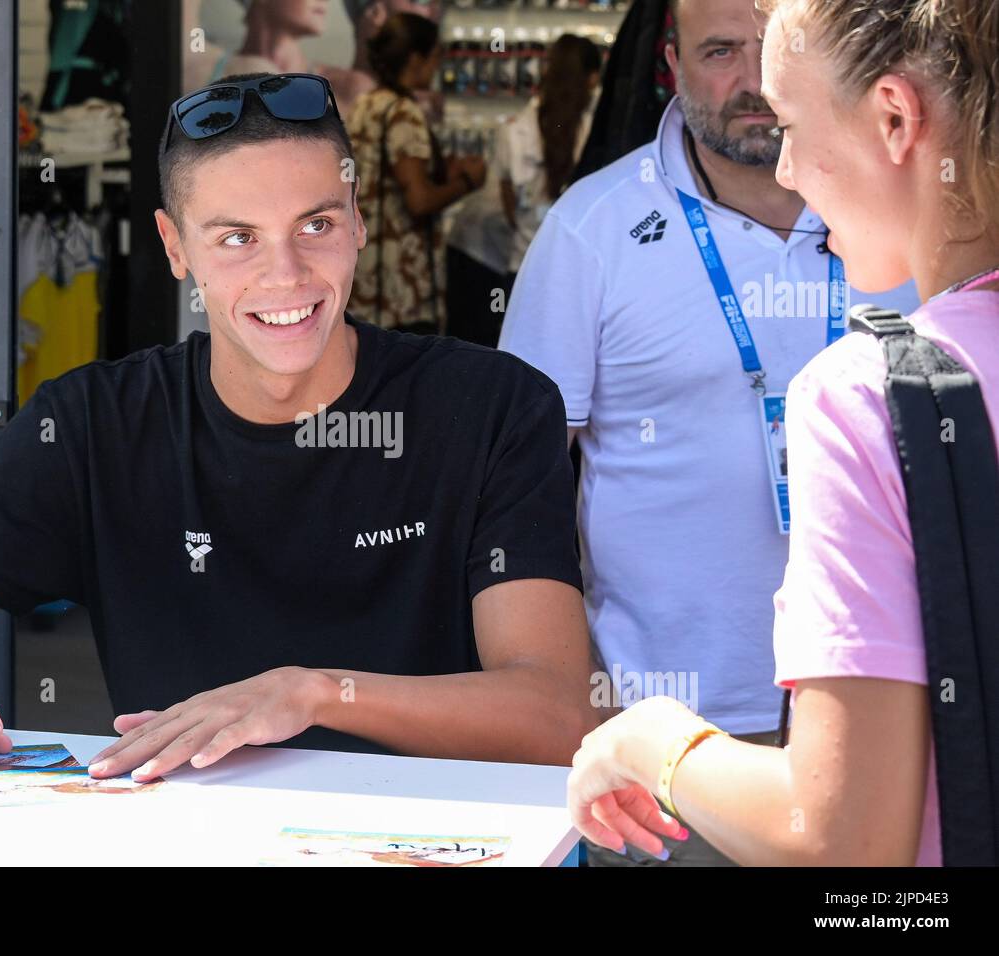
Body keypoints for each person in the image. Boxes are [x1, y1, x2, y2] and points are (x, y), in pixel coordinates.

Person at [0, 70, 599, 779]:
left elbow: (556, 718)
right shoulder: (91, 427)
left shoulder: (491, 407)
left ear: (357, 219)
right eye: (236, 238)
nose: (285, 274)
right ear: (176, 248)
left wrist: (311, 691)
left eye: (315, 224)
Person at [567, 0, 999, 868]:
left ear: (893, 119)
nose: (790, 171)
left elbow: (841, 838)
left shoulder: (869, 396)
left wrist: (651, 742)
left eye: (796, 126)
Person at [346, 12, 485, 333]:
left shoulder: (364, 105)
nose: (437, 68)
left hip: (369, 279)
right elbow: (419, 201)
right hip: (401, 288)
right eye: (435, 57)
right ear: (416, 58)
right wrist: (467, 182)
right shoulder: (404, 112)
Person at [496, 33, 602, 285]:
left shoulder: (512, 131)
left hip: (524, 268)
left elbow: (509, 208)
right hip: (580, 275)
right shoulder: (596, 137)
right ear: (593, 78)